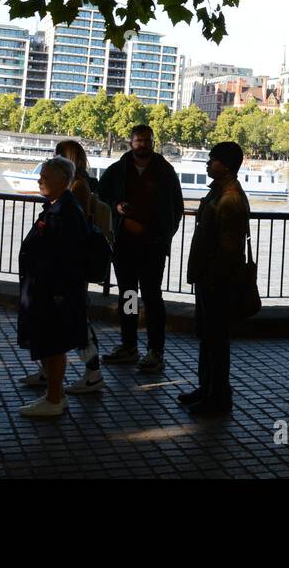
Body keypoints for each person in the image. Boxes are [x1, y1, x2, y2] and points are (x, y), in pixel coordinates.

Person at [20, 139, 110, 396]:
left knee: (73, 321)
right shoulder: (77, 187)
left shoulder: (74, 192)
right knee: (69, 320)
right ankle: (52, 371)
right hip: (66, 271)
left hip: (64, 273)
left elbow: (69, 235)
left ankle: (85, 373)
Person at [98, 124, 185, 373]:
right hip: (123, 246)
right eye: (139, 140)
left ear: (153, 142)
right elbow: (100, 197)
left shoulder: (166, 172)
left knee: (152, 297)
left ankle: (156, 351)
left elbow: (176, 208)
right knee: (128, 296)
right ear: (131, 142)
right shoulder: (117, 170)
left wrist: (163, 236)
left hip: (152, 247)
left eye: (147, 140)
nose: (143, 145)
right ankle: (129, 345)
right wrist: (116, 208)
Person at [16, 157, 91, 419]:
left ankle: (55, 397)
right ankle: (54, 394)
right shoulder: (58, 207)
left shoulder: (65, 212)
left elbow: (66, 256)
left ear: (62, 181)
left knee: (53, 343)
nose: (40, 180)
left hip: (53, 291)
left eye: (45, 177)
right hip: (47, 289)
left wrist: (56, 292)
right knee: (50, 342)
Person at [181, 142, 251, 414]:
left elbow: (228, 246)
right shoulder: (221, 191)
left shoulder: (230, 197)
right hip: (209, 277)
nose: (207, 164)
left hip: (217, 280)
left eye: (212, 160)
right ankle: (206, 388)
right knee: (208, 336)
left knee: (216, 339)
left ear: (225, 165)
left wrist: (211, 275)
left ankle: (218, 396)